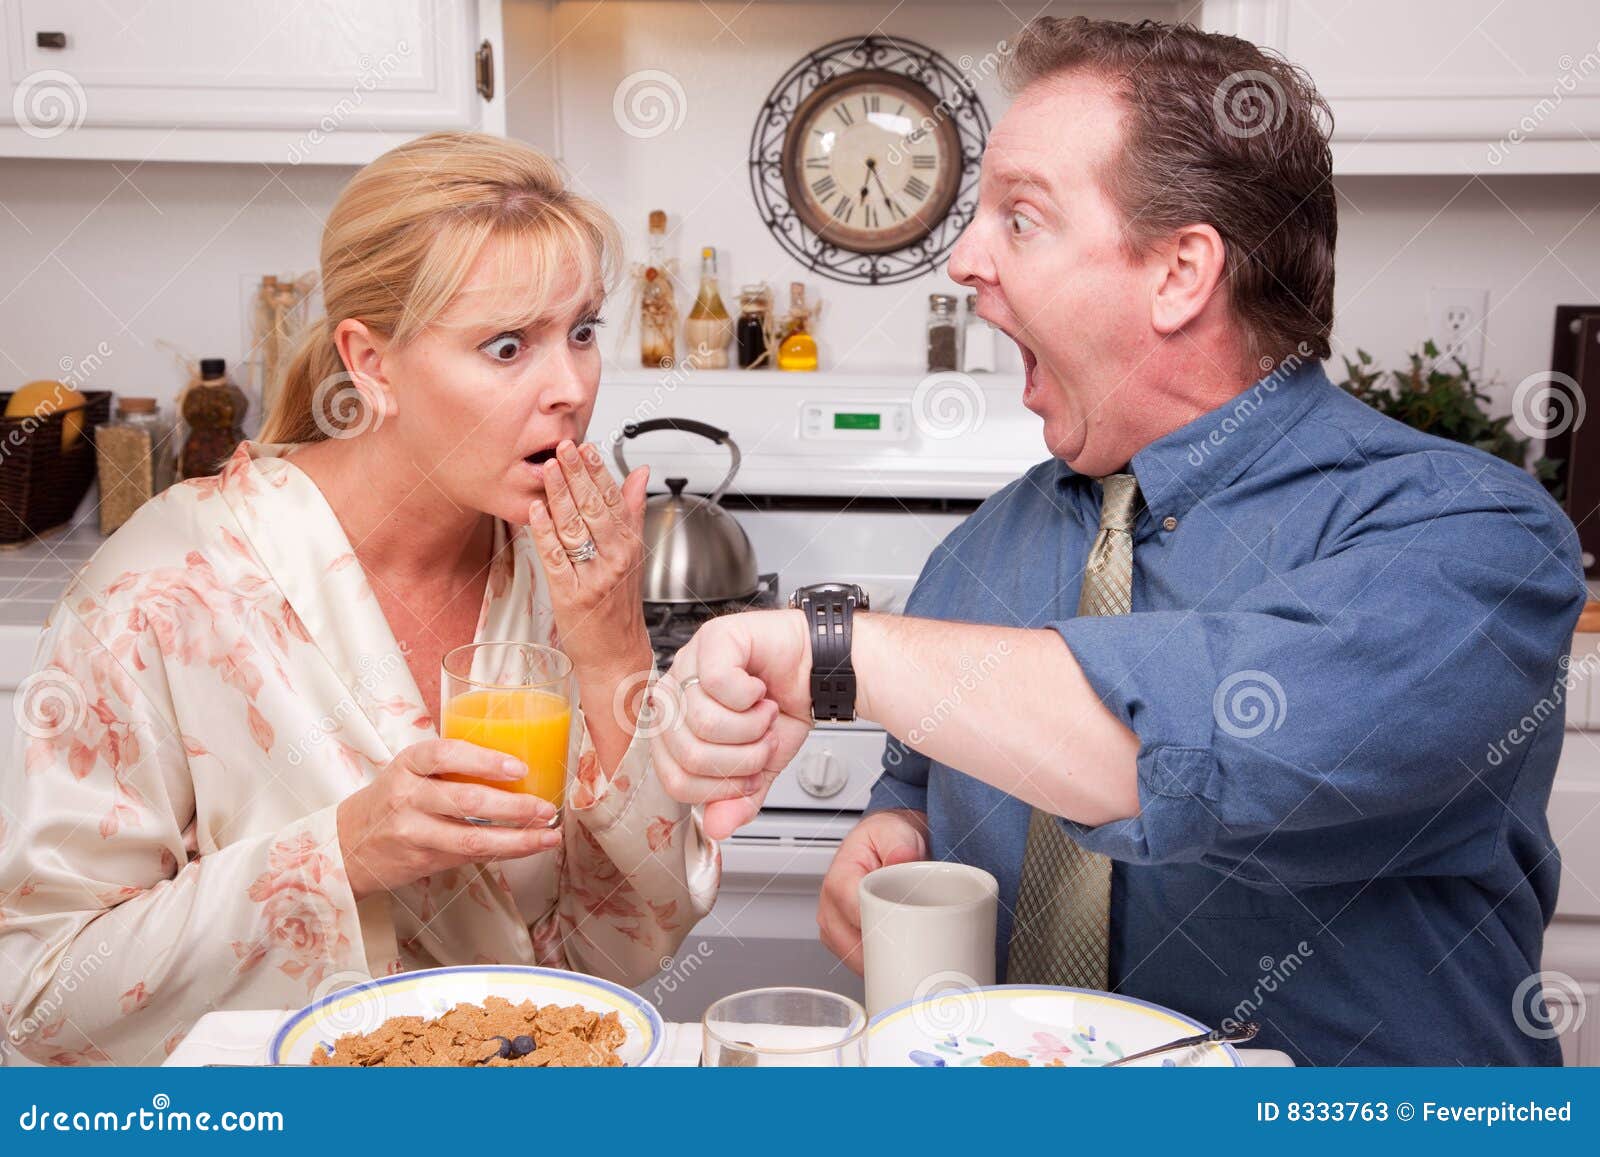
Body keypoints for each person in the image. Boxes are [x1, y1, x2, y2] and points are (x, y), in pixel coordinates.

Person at [651, 18, 1586, 1065]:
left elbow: (1183, 746)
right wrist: (899, 837)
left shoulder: (1469, 537)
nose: (963, 261)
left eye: (1020, 218)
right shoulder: (979, 552)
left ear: (1180, 271)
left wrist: (831, 649)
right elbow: (919, 777)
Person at [0, 132, 716, 1066]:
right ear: (370, 365)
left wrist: (617, 656)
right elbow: (42, 1004)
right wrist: (336, 855)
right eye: (508, 347)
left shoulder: (559, 573)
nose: (573, 388)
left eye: (582, 330)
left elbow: (624, 949)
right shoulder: (162, 590)